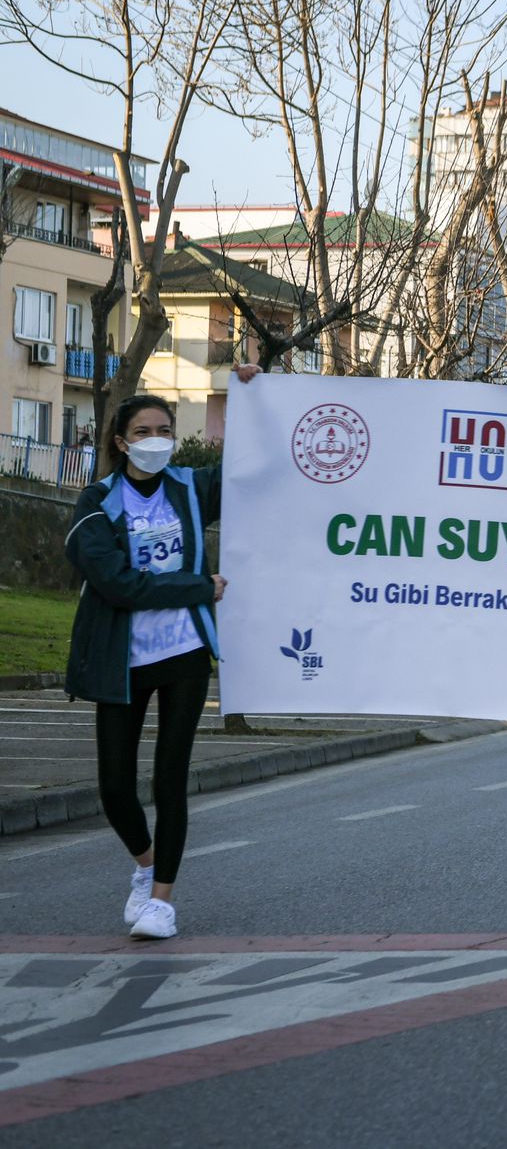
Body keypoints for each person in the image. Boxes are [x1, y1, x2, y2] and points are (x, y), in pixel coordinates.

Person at [66, 383, 251, 940]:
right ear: (121, 442)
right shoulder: (96, 502)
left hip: (186, 653)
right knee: (115, 786)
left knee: (170, 779)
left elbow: (253, 462)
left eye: (165, 432)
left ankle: (163, 902)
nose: (156, 441)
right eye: (143, 433)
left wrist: (252, 388)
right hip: (121, 659)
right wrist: (195, 586)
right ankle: (145, 867)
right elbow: (118, 583)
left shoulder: (192, 488)